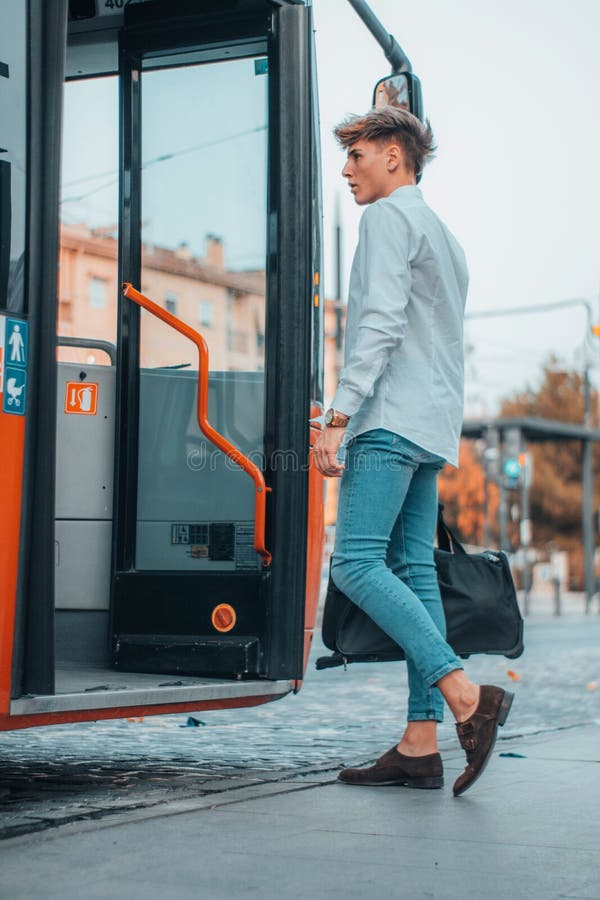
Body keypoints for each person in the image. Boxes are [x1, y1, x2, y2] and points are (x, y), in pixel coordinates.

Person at [312, 107, 513, 797]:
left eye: (357, 155)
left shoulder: (388, 219)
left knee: (357, 563)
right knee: (413, 569)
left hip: (390, 421)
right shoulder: (444, 235)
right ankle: (420, 745)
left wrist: (340, 414)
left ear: (394, 156)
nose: (346, 169)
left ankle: (463, 697)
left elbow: (378, 323)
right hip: (429, 424)